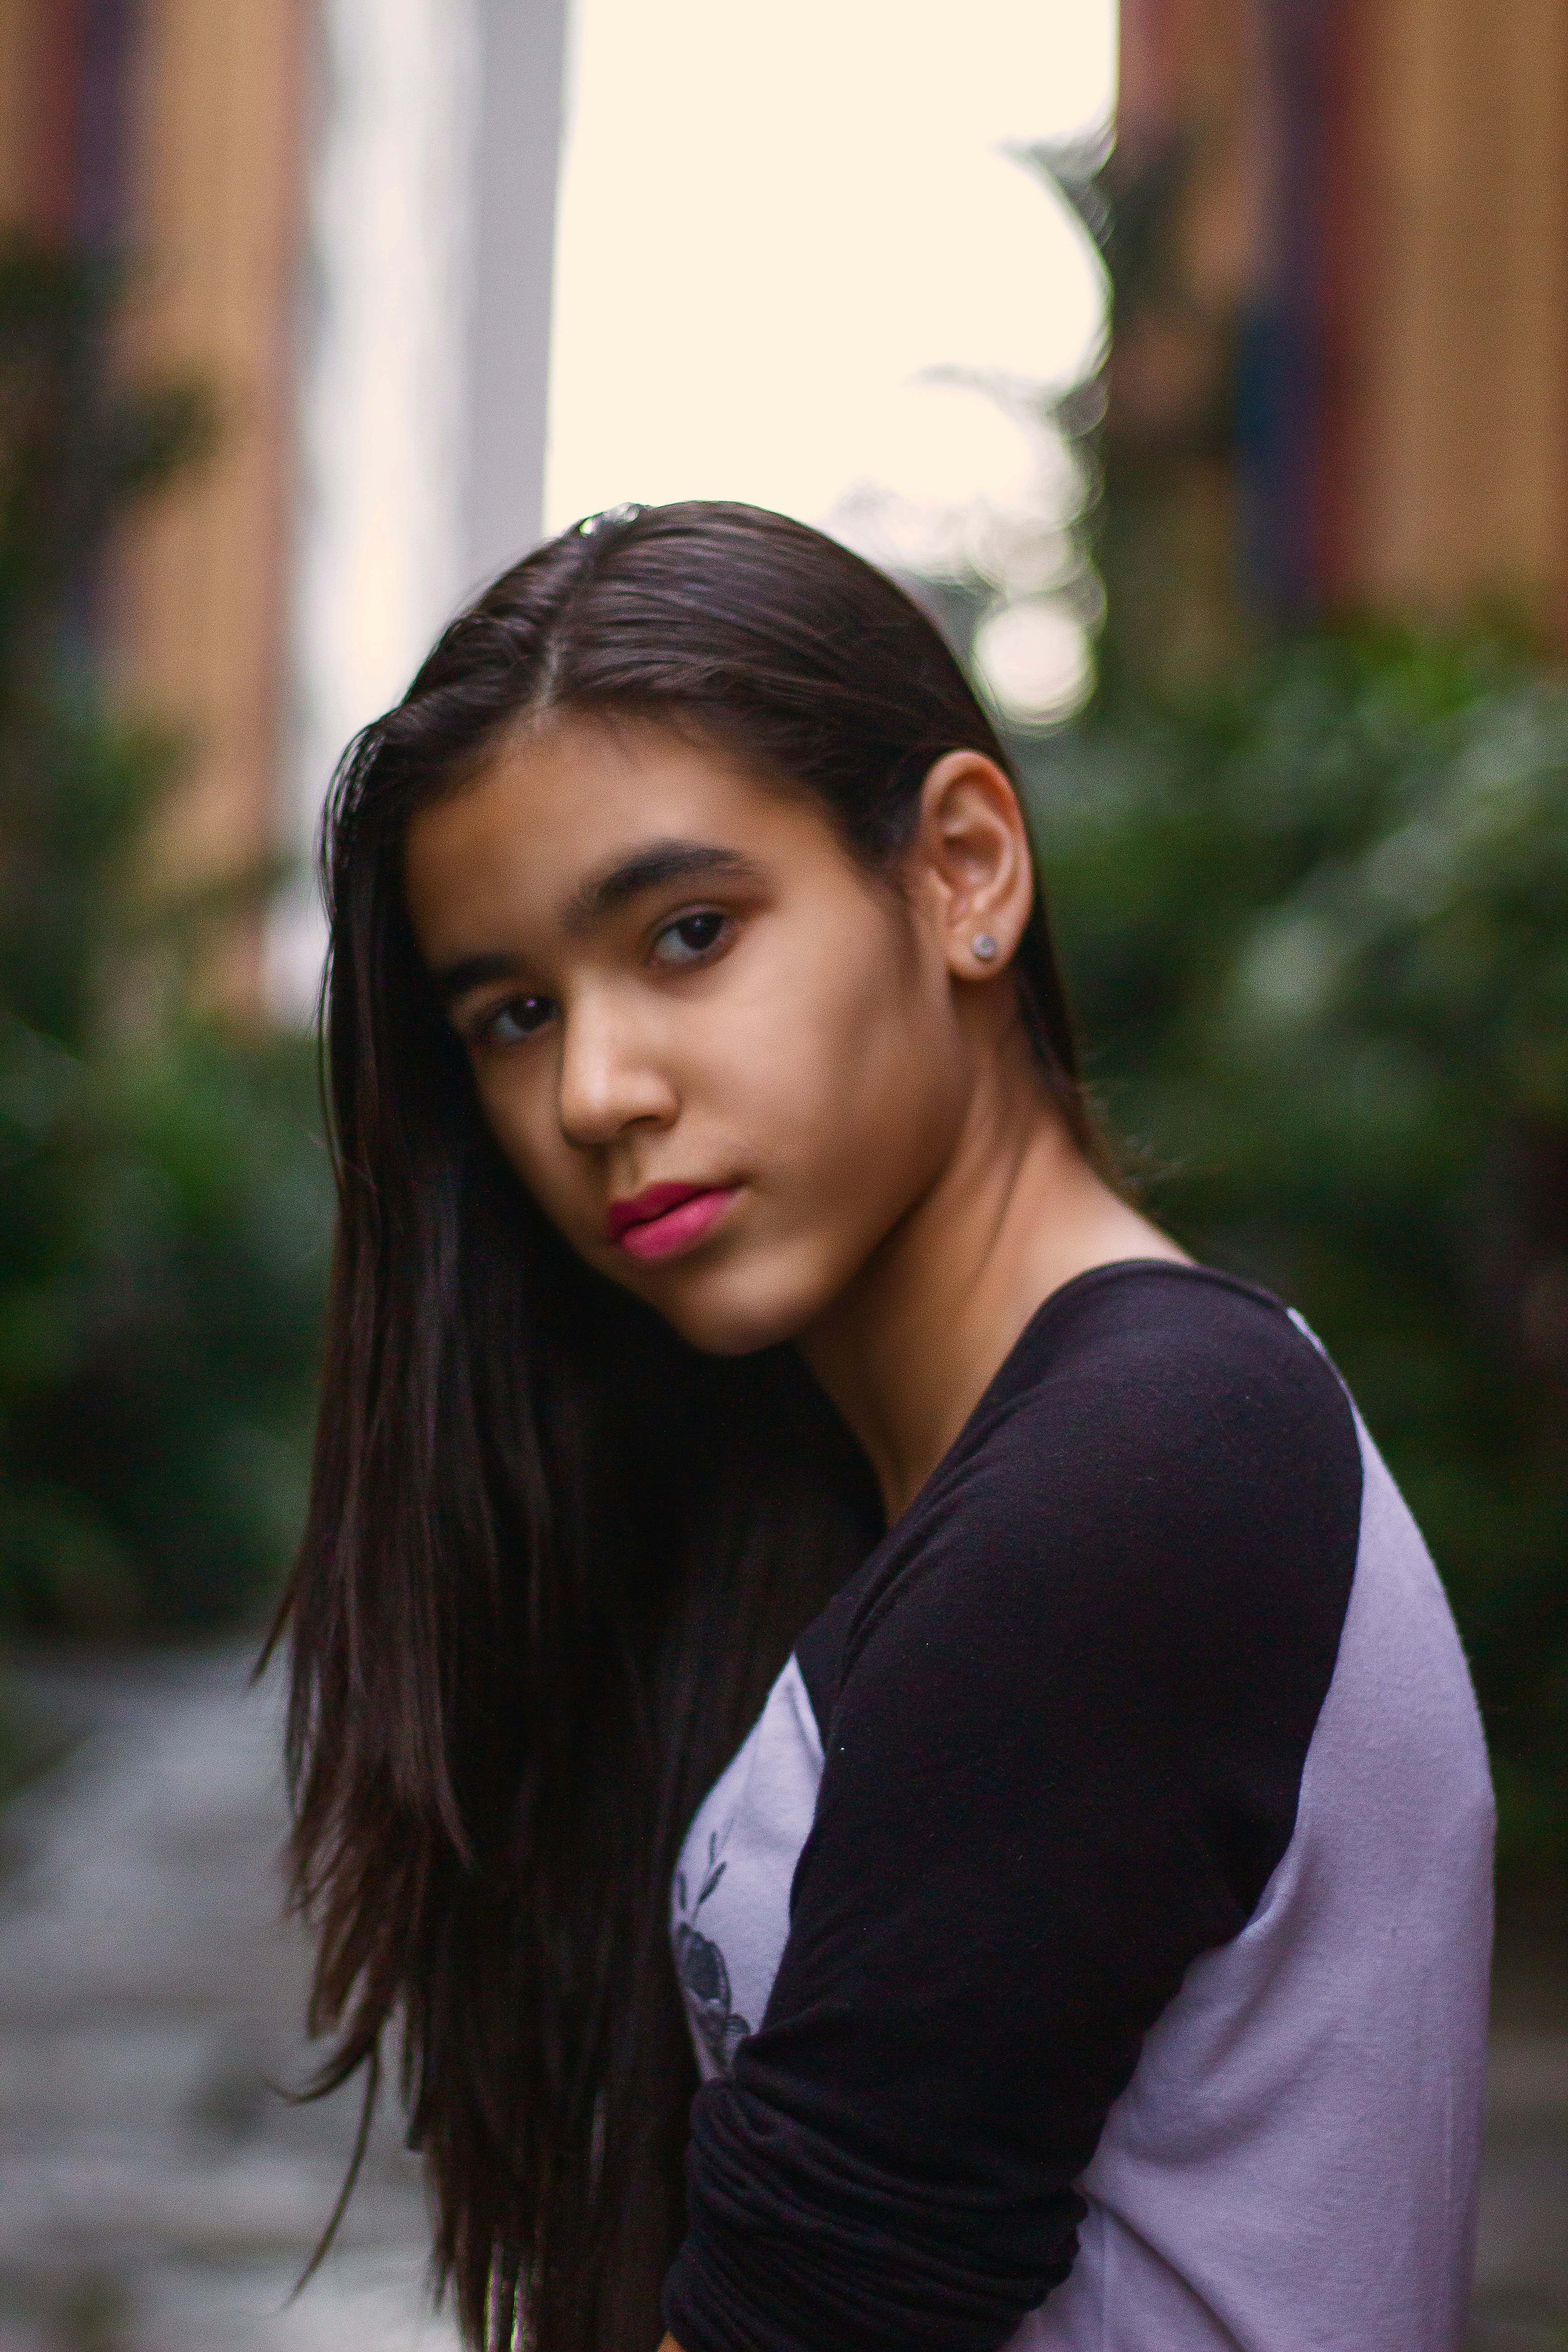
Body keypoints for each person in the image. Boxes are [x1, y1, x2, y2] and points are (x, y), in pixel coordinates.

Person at [274, 501, 1494, 2352]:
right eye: (517, 1014)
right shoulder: (947, 1486)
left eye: (689, 933)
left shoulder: (1140, 1480)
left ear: (964, 873)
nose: (596, 1091)